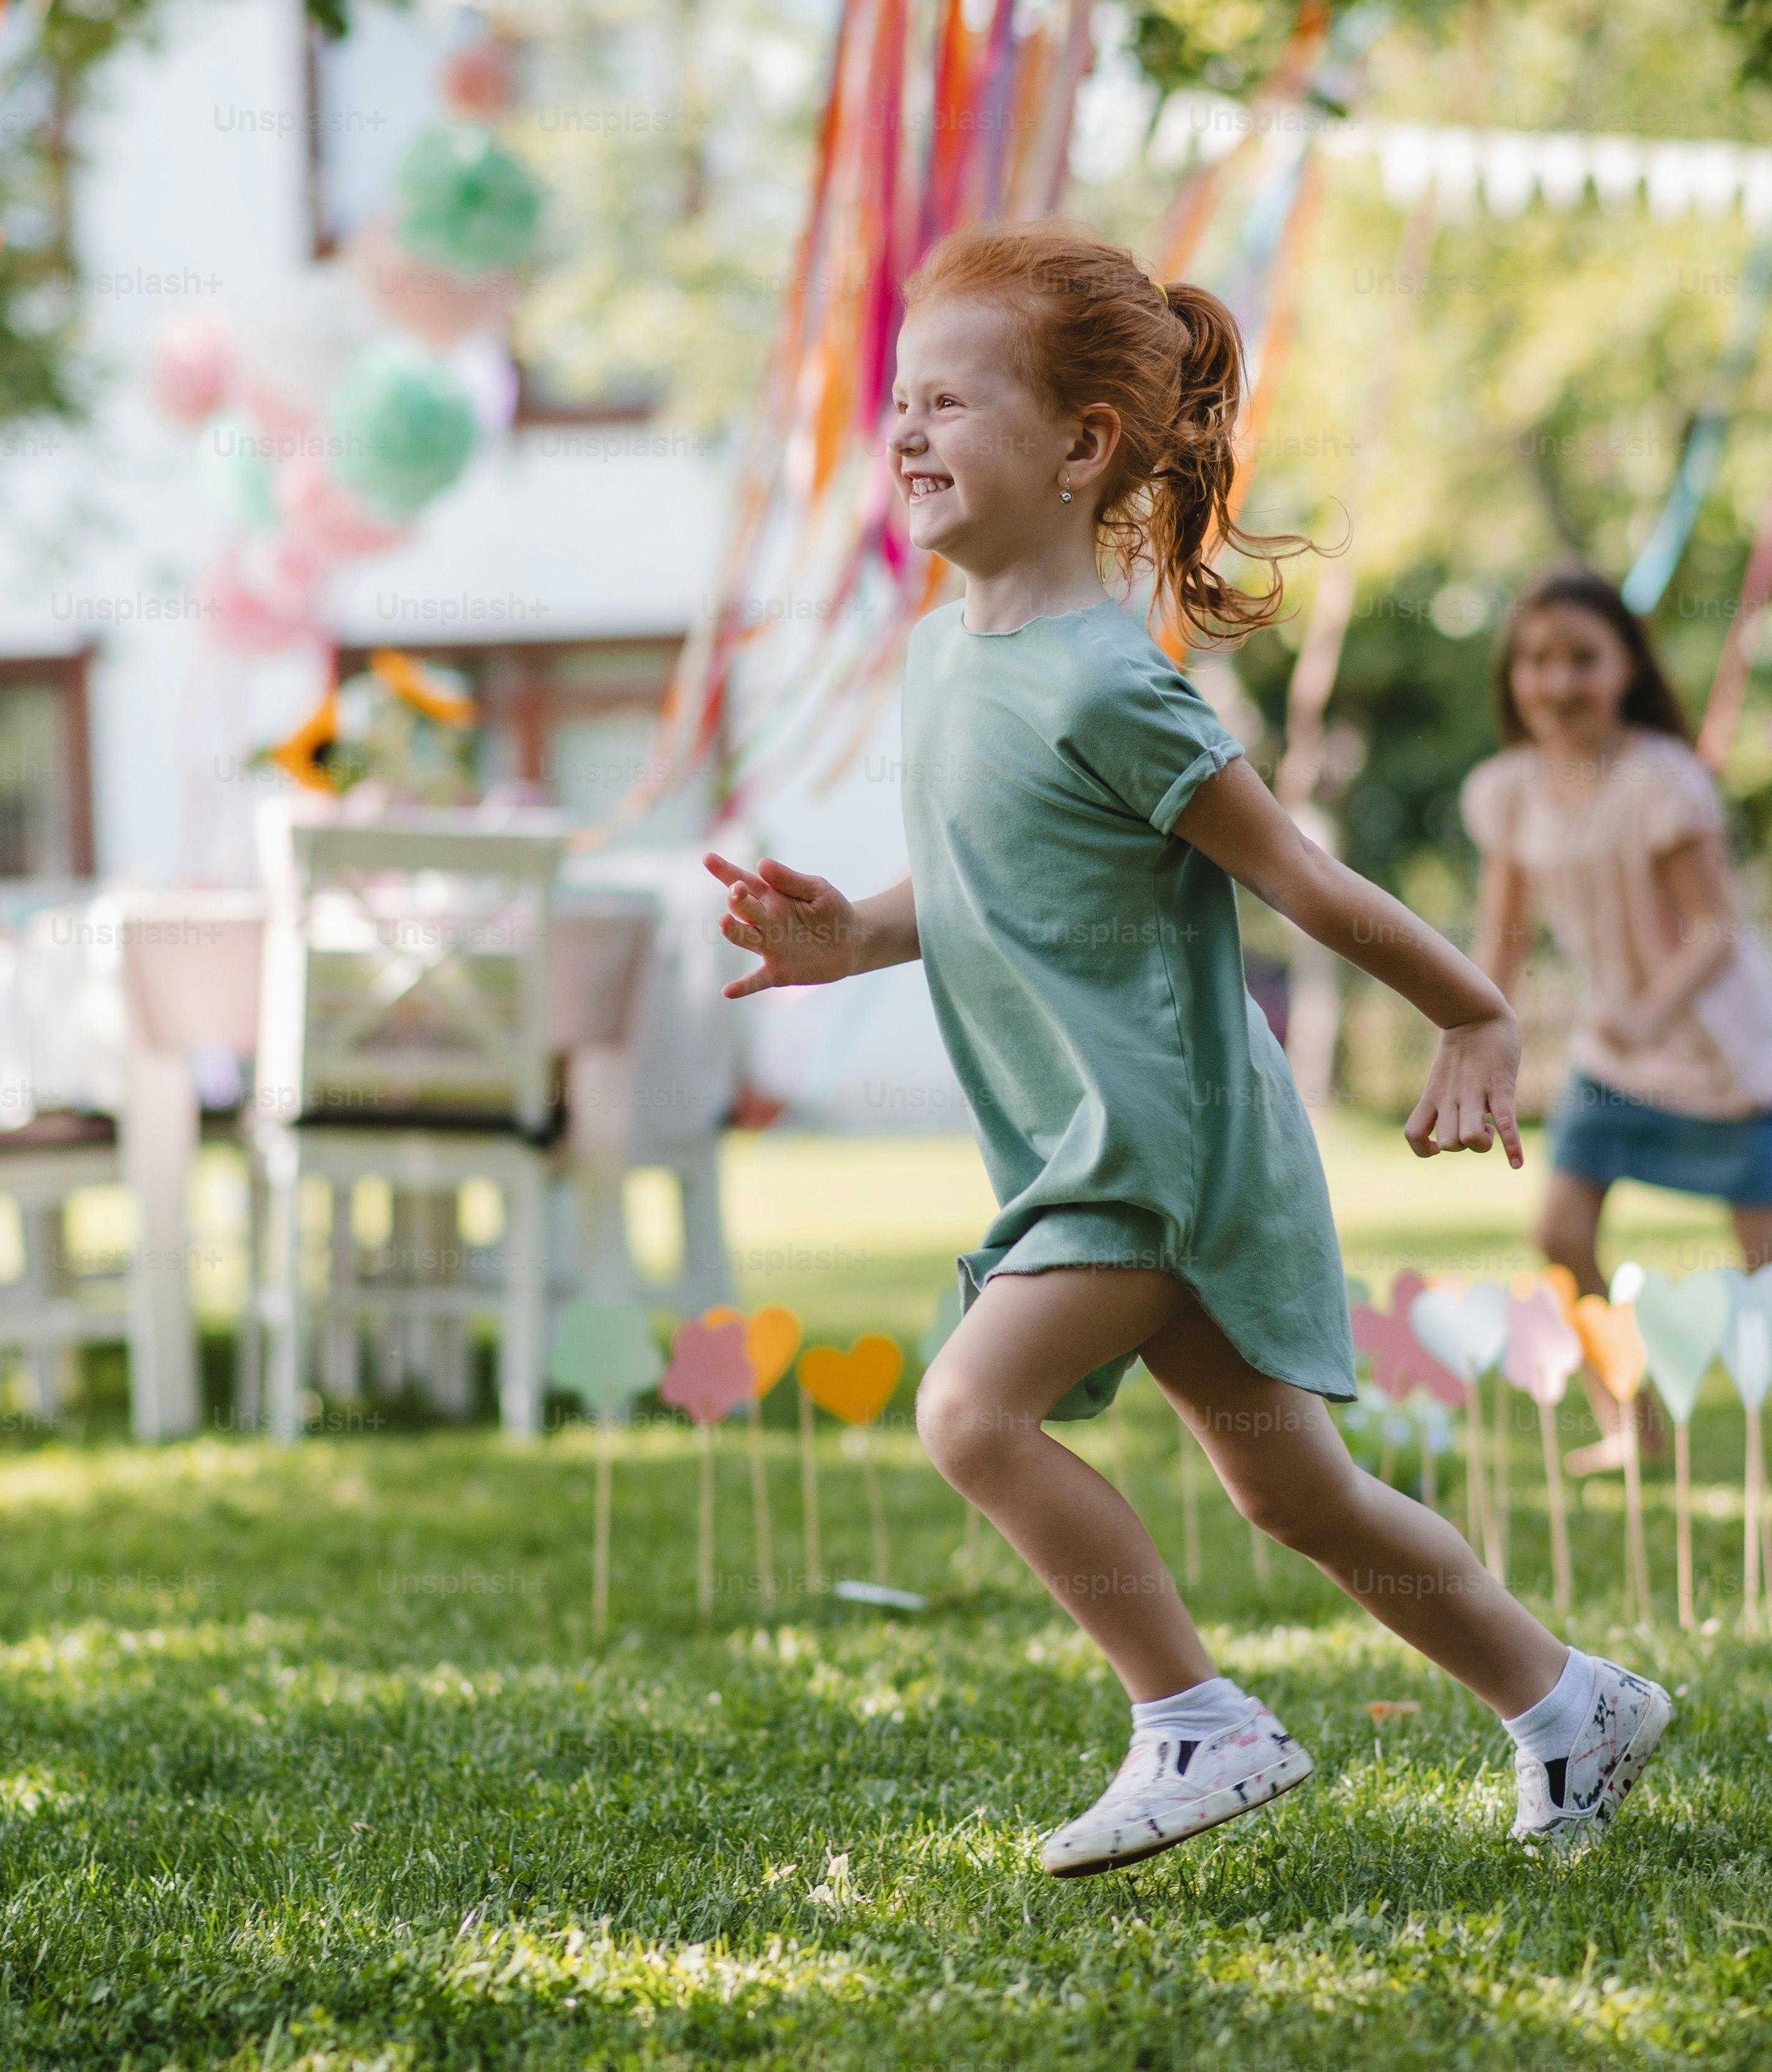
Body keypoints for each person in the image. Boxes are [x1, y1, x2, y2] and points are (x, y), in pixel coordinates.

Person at [703, 223, 1668, 1877]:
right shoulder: (943, 657)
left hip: (1155, 1144)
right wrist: (847, 934)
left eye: (950, 401)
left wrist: (1473, 1009)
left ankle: (1195, 1722)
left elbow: (1302, 880)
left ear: (1080, 447)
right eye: (901, 402)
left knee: (971, 1410)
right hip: (1093, 1138)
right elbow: (993, 879)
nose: (909, 430)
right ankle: (1569, 1701)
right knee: (1298, 1497)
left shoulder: (1113, 687)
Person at [1462, 568, 1772, 1468]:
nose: (1557, 681)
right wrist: (1469, 1030)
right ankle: (1631, 1426)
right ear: (1510, 675)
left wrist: (1651, 1011)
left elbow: (1714, 928)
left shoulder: (1661, 780)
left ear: (1625, 668)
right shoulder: (1509, 791)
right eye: (1536, 660)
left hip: (1717, 1050)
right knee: (1560, 1236)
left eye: (1582, 659)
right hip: (1614, 1050)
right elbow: (1502, 936)